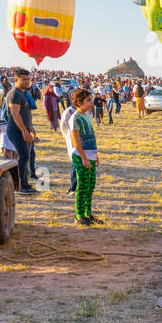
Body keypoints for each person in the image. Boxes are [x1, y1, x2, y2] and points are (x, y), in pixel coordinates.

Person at [69, 88, 99, 224]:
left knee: (90, 186)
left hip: (91, 155)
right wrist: (84, 157)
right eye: (88, 100)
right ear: (79, 103)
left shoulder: (87, 115)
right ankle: (79, 216)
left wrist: (95, 155)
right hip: (81, 156)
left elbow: (91, 137)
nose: (91, 102)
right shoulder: (75, 118)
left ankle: (88, 214)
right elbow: (75, 140)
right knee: (82, 186)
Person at [5, 69, 37, 194]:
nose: (27, 81)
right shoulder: (14, 94)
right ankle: (20, 186)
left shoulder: (23, 93)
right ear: (16, 80)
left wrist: (30, 129)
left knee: (26, 156)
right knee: (23, 157)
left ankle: (25, 184)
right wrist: (24, 131)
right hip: (16, 130)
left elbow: (26, 114)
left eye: (28, 79)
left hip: (25, 129)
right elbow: (15, 114)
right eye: (23, 79)